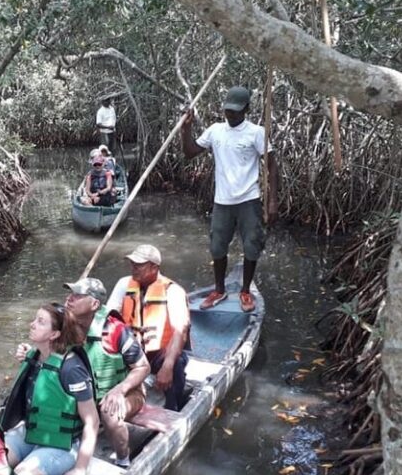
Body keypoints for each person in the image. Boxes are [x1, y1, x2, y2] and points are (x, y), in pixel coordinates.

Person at [180, 85, 279, 312]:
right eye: (228, 110)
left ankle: (245, 291)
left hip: (249, 199)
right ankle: (219, 289)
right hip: (222, 201)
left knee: (252, 246)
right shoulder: (215, 131)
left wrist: (272, 201)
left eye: (235, 110)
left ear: (246, 109)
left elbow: (272, 166)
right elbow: (189, 153)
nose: (230, 114)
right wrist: (185, 130)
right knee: (217, 247)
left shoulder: (256, 132)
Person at [2, 303, 99, 475]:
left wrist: (79, 470)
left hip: (62, 445)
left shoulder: (72, 370)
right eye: (35, 319)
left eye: (40, 322)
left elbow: (92, 422)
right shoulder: (35, 356)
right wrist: (28, 354)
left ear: (54, 334)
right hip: (31, 432)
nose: (32, 324)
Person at [63, 278, 150, 468]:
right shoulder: (63, 326)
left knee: (109, 412)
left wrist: (120, 390)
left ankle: (123, 460)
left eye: (77, 295)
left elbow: (143, 367)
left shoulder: (115, 330)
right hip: (85, 396)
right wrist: (30, 353)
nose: (69, 299)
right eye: (70, 294)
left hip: (128, 392)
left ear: (94, 304)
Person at [107, 245, 191, 412]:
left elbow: (180, 330)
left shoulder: (173, 291)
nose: (133, 268)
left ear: (154, 267)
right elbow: (108, 317)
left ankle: (172, 408)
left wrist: (167, 366)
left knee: (176, 364)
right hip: (132, 351)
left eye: (139, 264)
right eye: (132, 264)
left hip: (159, 354)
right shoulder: (124, 284)